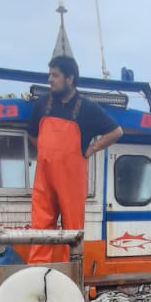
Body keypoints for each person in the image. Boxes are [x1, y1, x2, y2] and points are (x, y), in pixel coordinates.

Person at [26, 55, 123, 262]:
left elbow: (116, 131)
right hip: (44, 179)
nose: (50, 80)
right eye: (50, 75)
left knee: (72, 229)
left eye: (55, 75)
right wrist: (46, 152)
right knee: (41, 227)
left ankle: (69, 274)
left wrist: (92, 148)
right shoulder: (42, 104)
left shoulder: (88, 108)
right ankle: (36, 272)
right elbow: (32, 135)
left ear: (69, 79)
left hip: (72, 181)